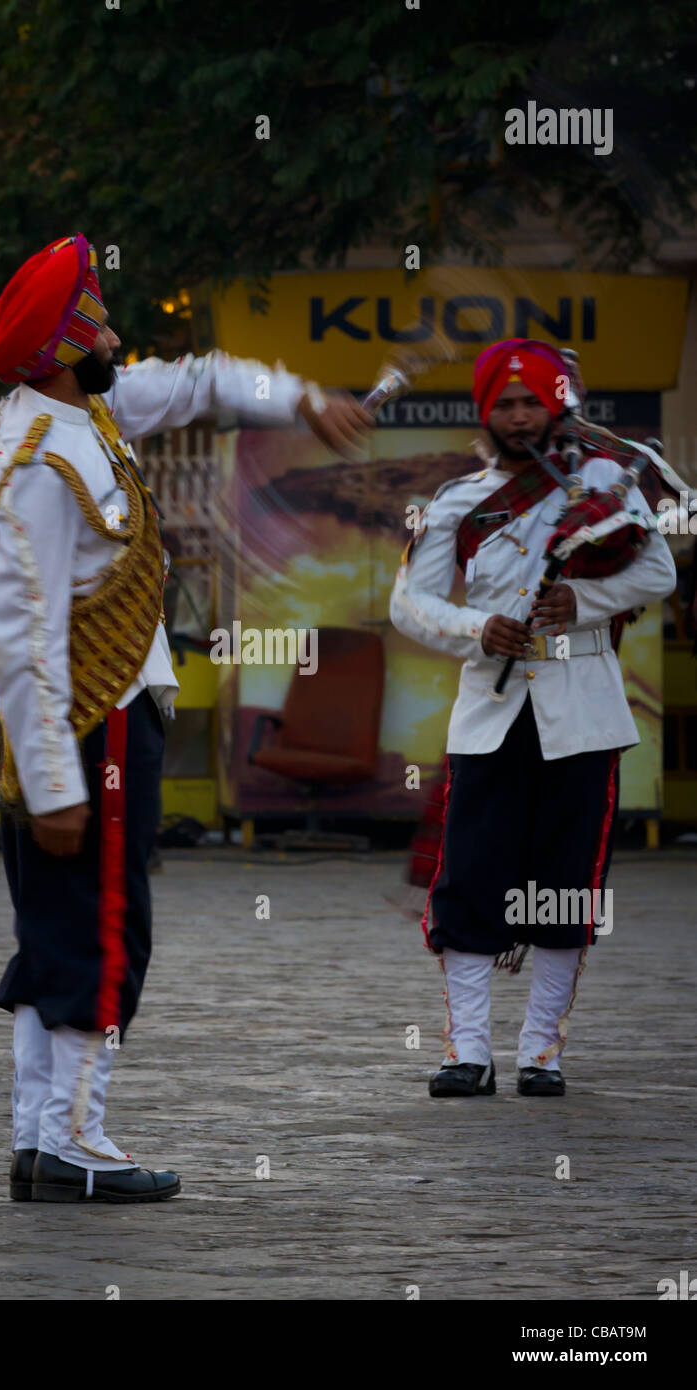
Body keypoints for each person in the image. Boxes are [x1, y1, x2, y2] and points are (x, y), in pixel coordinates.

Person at [0, 233, 372, 1202]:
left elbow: (196, 381)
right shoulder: (42, 453)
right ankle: (75, 1141)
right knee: (102, 929)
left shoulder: (84, 410)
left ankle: (41, 1140)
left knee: (55, 931)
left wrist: (302, 399)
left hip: (91, 713)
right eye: (102, 320)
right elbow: (20, 621)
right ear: (71, 345)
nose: (118, 334)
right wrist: (54, 779)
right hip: (84, 719)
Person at [390, 338, 677, 1098]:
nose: (519, 417)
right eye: (505, 405)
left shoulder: (606, 488)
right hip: (490, 714)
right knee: (470, 882)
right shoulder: (457, 501)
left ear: (559, 406)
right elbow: (409, 603)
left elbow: (658, 568)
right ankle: (469, 1053)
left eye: (532, 403)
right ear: (486, 415)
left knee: (565, 886)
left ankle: (541, 1054)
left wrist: (580, 601)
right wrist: (475, 630)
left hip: (582, 717)